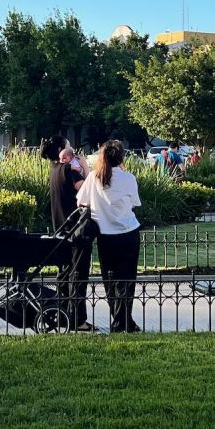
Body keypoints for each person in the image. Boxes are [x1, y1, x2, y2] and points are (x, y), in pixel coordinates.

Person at [76, 139, 142, 334]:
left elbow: (81, 202)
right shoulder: (128, 178)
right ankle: (123, 322)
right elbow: (134, 203)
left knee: (110, 280)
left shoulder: (94, 177)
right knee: (127, 280)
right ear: (121, 157)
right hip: (128, 232)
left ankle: (121, 321)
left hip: (105, 235)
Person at [43, 137, 95, 331]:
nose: (72, 146)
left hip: (61, 229)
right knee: (78, 275)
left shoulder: (55, 170)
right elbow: (88, 191)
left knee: (64, 275)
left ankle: (63, 315)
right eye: (67, 144)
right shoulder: (68, 170)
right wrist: (86, 167)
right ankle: (78, 320)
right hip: (76, 229)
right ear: (61, 152)